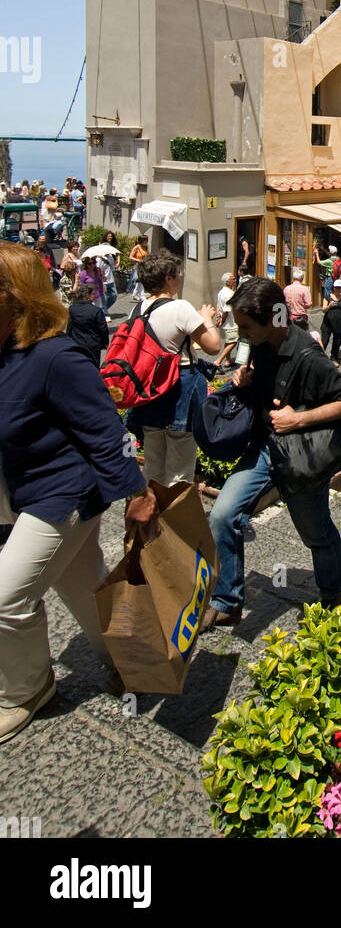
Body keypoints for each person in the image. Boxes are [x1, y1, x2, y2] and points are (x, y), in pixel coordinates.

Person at [0, 244, 156, 742]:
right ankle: (131, 661)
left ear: (15, 298)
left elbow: (103, 430)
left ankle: (26, 689)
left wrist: (137, 493)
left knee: (6, 599)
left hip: (62, 495)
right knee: (82, 583)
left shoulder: (55, 356)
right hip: (27, 489)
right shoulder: (6, 353)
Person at [201, 277, 341, 627]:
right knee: (223, 516)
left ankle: (334, 594)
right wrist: (244, 376)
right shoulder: (259, 343)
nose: (239, 333)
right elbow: (252, 365)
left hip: (299, 457)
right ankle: (228, 600)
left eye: (244, 326)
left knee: (315, 534)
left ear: (271, 319)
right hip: (263, 449)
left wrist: (297, 419)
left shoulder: (307, 353)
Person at [124, 251, 221, 486]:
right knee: (180, 472)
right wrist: (205, 317)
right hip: (179, 389)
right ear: (168, 278)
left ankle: (152, 518)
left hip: (149, 391)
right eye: (178, 274)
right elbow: (213, 345)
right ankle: (175, 521)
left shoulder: (138, 309)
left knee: (153, 467)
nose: (180, 277)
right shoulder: (180, 308)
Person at [64, 284, 110, 367]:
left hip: (77, 343)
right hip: (92, 345)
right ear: (86, 295)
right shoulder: (96, 311)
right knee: (94, 366)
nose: (95, 296)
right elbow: (103, 329)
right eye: (93, 294)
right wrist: (105, 342)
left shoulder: (72, 309)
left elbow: (69, 327)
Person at [321, 281, 341, 362]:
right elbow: (323, 310)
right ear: (333, 287)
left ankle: (333, 357)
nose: (338, 289)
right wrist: (329, 306)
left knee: (337, 341)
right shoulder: (327, 297)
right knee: (324, 341)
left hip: (339, 324)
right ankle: (320, 358)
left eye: (339, 288)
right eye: (336, 287)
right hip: (327, 324)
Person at [213, 271, 239, 369]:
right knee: (233, 341)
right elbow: (226, 311)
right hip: (231, 323)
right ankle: (218, 361)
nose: (235, 281)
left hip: (226, 322)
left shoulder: (221, 292)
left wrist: (218, 318)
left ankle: (228, 360)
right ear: (227, 282)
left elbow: (218, 306)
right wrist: (222, 320)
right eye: (233, 279)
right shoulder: (229, 294)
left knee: (229, 341)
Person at [282, 267, 312, 331]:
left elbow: (283, 302)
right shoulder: (304, 289)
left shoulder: (286, 288)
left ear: (293, 278)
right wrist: (302, 305)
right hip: (300, 317)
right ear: (302, 279)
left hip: (289, 316)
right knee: (300, 335)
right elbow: (309, 304)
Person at [97, 231, 119, 315]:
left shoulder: (110, 257)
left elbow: (112, 268)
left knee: (114, 296)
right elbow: (97, 269)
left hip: (110, 280)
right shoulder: (99, 258)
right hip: (103, 281)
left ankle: (103, 310)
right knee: (104, 298)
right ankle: (105, 313)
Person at [314, 243, 338, 309]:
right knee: (332, 292)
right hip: (335, 277)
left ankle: (327, 306)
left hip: (329, 278)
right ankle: (332, 304)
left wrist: (317, 253)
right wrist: (323, 249)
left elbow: (319, 262)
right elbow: (330, 254)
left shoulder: (329, 261)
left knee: (327, 293)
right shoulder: (337, 258)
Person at [128, 234, 148, 299]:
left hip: (143, 265)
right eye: (145, 241)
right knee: (140, 280)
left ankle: (135, 293)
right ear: (142, 241)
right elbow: (130, 257)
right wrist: (138, 260)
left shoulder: (145, 248)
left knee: (139, 280)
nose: (146, 242)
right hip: (138, 266)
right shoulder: (137, 247)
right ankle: (142, 295)